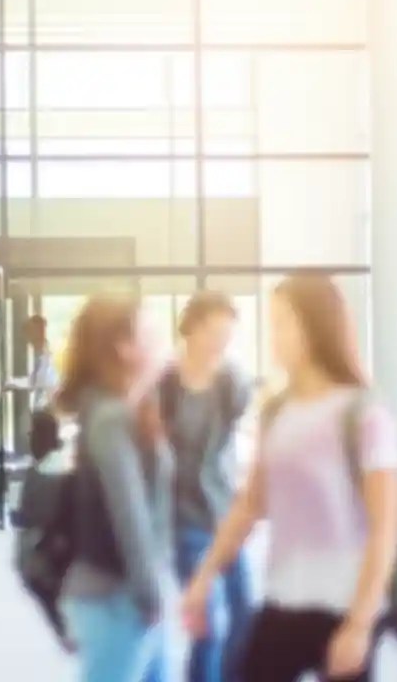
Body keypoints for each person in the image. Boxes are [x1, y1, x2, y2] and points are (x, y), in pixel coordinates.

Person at [182, 275, 397, 682]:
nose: (274, 336)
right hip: (282, 601)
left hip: (344, 606)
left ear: (316, 326)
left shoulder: (365, 413)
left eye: (283, 322)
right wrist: (204, 575)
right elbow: (250, 505)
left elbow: (385, 529)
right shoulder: (276, 412)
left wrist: (359, 624)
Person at [56, 295, 176, 682]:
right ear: (124, 347)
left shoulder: (129, 406)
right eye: (152, 332)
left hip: (130, 591)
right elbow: (130, 513)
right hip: (117, 596)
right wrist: (150, 594)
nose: (163, 340)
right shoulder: (110, 416)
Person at [158, 291, 253, 682]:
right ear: (192, 329)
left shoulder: (232, 379)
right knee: (207, 621)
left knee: (245, 613)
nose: (222, 342)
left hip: (225, 513)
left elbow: (235, 441)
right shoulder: (165, 382)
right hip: (184, 517)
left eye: (228, 335)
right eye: (215, 332)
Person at [13, 410, 74, 651]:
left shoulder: (50, 471)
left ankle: (66, 626)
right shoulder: (47, 466)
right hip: (46, 540)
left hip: (50, 543)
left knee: (33, 570)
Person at [26, 315, 60, 412]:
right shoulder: (27, 353)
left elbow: (42, 381)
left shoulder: (50, 353)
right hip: (34, 407)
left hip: (46, 406)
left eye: (40, 330)